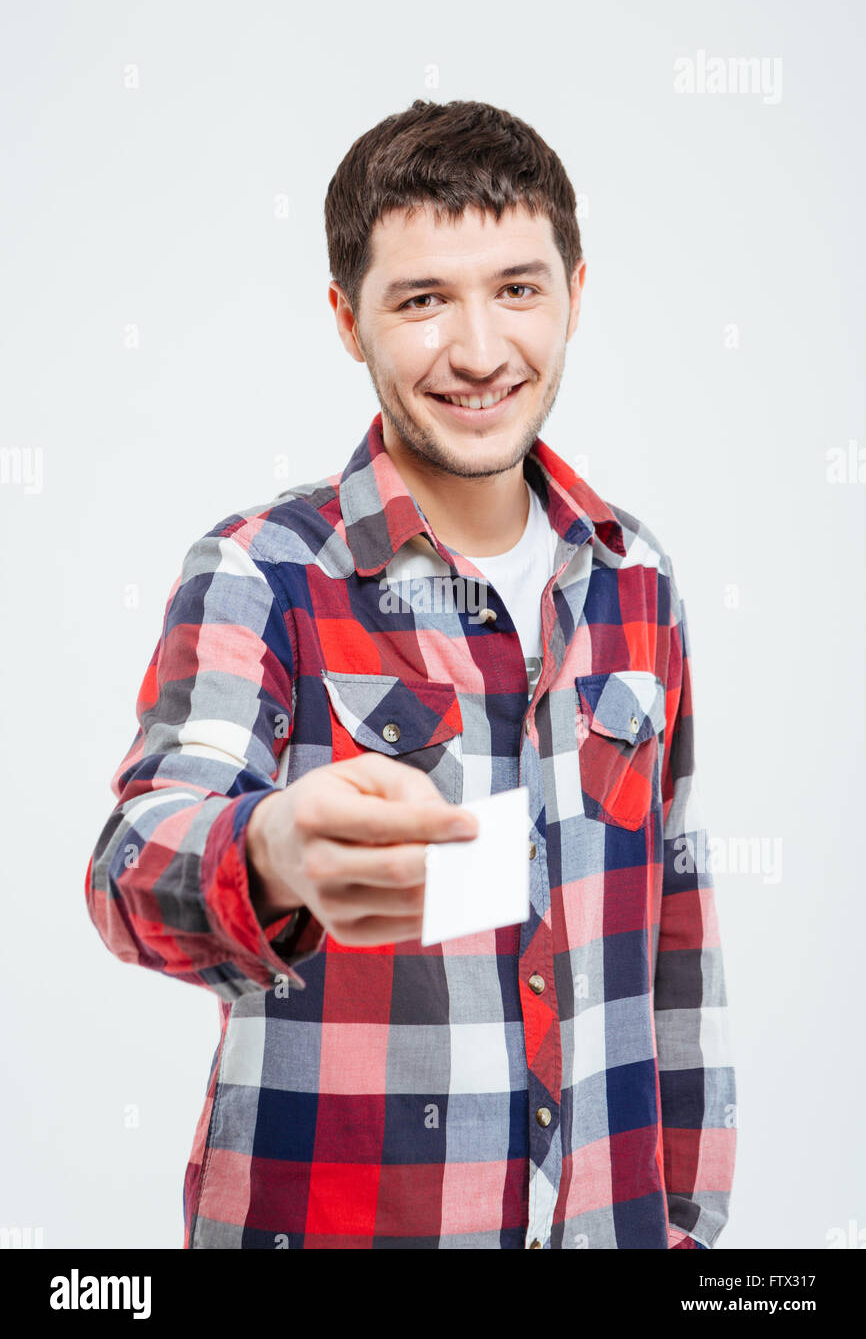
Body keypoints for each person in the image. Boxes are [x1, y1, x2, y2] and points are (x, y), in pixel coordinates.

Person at [85, 98, 736, 1250]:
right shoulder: (263, 572)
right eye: (422, 300)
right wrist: (272, 849)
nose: (480, 352)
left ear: (576, 293)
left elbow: (674, 934)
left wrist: (683, 1230)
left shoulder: (634, 579)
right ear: (347, 319)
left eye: (517, 289)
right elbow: (133, 865)